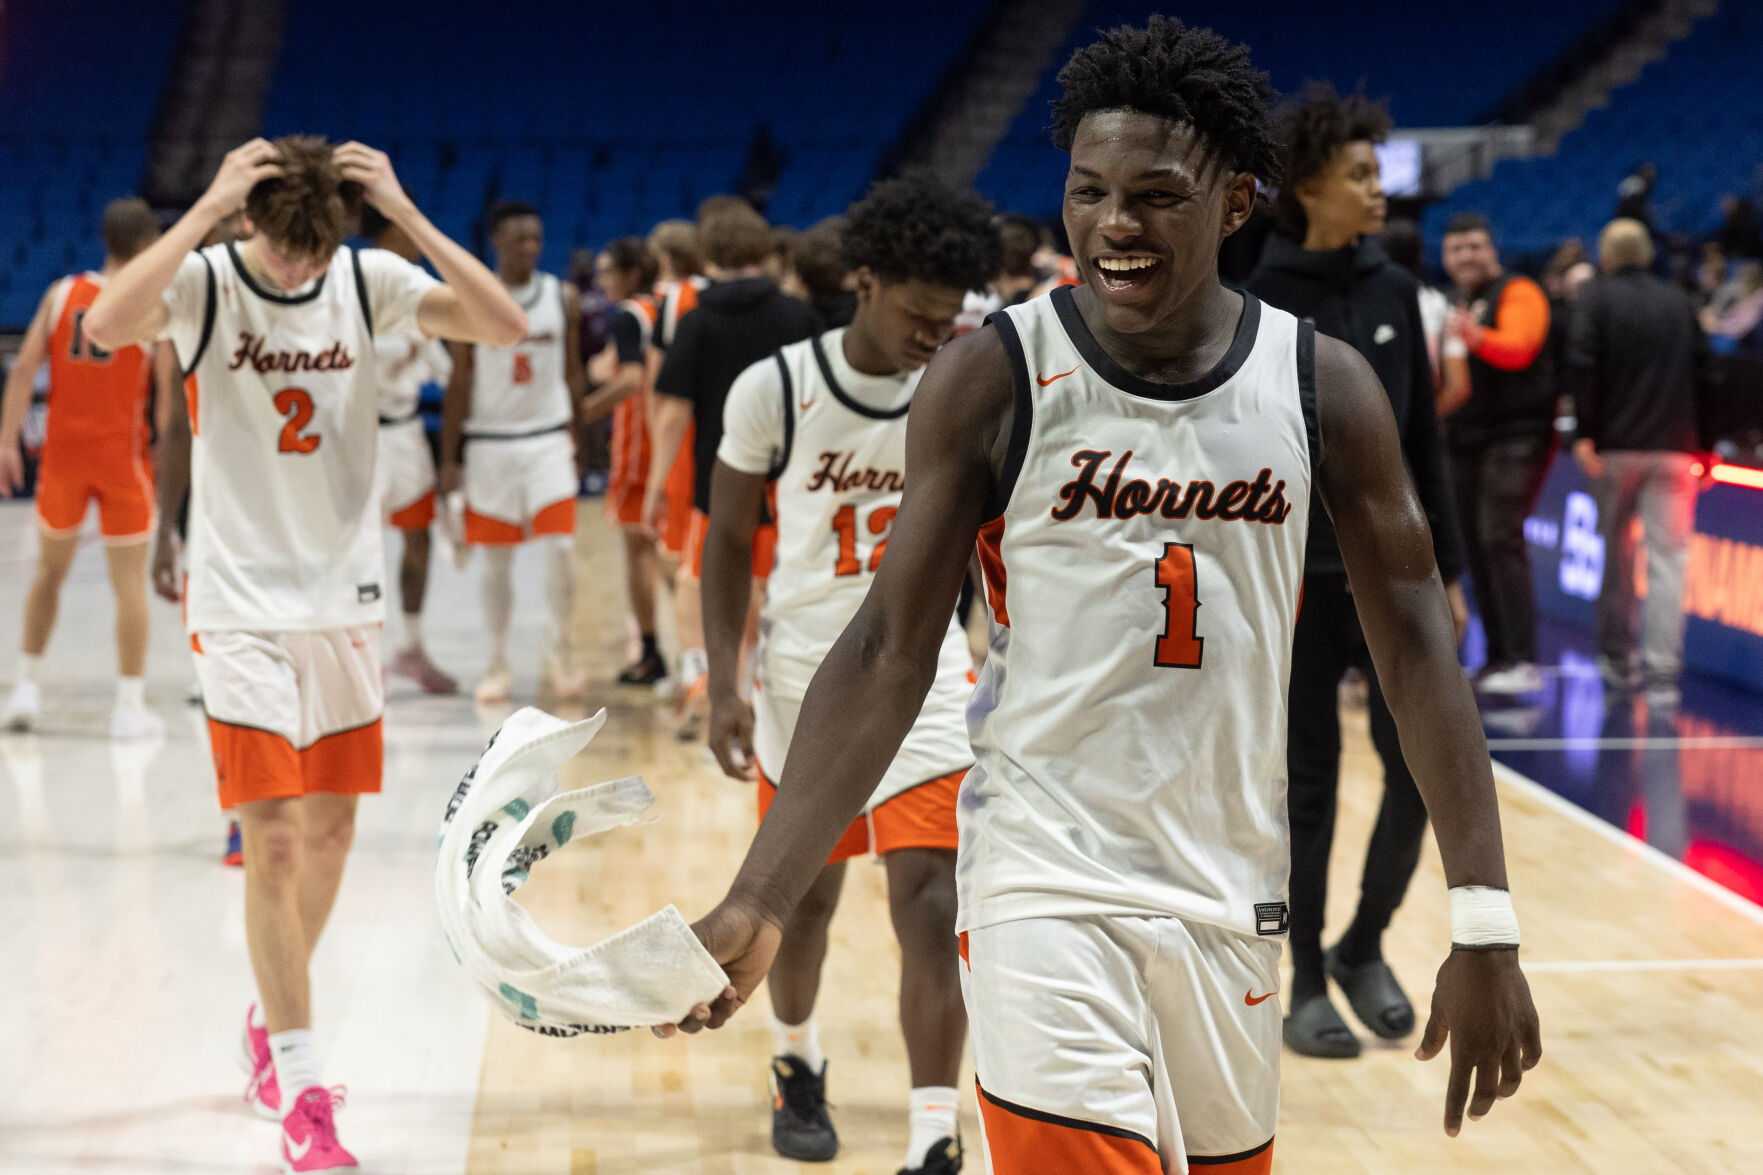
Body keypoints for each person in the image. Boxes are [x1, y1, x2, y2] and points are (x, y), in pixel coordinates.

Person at [666, 17, 1541, 1175]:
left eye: (1154, 195)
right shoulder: (993, 371)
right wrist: (761, 891)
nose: (1112, 224)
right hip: (1040, 870)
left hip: (1229, 887)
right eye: (1088, 192)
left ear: (1236, 202)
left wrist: (1480, 916)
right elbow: (887, 645)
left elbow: (1420, 647)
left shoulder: (1320, 383)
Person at [83, 135, 524, 1173]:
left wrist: (406, 214)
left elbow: (499, 326)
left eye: (313, 252)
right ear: (251, 222)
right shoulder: (202, 278)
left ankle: (270, 1018)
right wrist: (200, 211)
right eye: (283, 248)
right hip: (236, 601)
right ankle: (302, 1082)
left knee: (329, 836)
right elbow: (105, 326)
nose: (296, 270)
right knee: (272, 839)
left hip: (343, 602)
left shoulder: (364, 278)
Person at [703, 172, 999, 1172]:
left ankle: (929, 1127)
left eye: (948, 317)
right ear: (862, 282)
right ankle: (795, 1060)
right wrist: (722, 681)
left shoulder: (961, 386)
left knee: (929, 895)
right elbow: (726, 541)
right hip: (802, 674)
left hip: (925, 669)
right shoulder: (773, 387)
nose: (934, 332)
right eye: (919, 314)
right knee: (804, 899)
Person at [1245, 84, 1469, 1059]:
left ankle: (1362, 943)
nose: (1379, 189)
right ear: (1303, 186)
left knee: (1421, 768)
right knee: (1305, 786)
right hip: (1289, 578)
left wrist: (1449, 572)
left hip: (1390, 577)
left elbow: (1424, 442)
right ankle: (1299, 981)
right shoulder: (1253, 286)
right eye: (1360, 174)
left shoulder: (1392, 289)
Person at [643, 196, 819, 737]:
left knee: (696, 578)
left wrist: (655, 485)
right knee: (763, 585)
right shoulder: (798, 315)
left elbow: (672, 411)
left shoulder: (698, 321)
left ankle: (699, 675)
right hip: (784, 478)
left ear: (708, 252)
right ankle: (748, 685)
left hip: (714, 479)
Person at [0, 197, 171, 738]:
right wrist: (166, 451)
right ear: (146, 245)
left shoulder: (60, 294)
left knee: (49, 574)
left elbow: (25, 368)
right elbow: (165, 390)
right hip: (122, 459)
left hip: (63, 456)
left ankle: (25, 687)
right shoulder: (146, 305)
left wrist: (7, 439)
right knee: (129, 589)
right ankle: (128, 705)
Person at [440, 201, 588, 704]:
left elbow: (573, 371)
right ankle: (498, 659)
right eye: (520, 239)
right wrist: (449, 460)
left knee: (563, 550)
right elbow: (460, 379)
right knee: (497, 564)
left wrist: (581, 438)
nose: (531, 248)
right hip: (490, 444)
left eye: (537, 239)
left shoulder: (561, 296)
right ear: (497, 241)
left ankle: (564, 645)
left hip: (547, 438)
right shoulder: (472, 299)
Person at [1569, 219, 1716, 701]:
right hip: (1676, 451)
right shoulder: (1678, 299)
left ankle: (1618, 658)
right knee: (1669, 560)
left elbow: (1583, 364)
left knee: (1616, 555)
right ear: (1648, 253)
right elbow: (1707, 373)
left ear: (1605, 256)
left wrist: (1583, 432)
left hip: (1615, 448)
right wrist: (1709, 444)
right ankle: (1662, 674)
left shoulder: (1596, 297)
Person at [1441, 213, 1554, 695]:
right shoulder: (1457, 301)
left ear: (1493, 250)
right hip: (1469, 438)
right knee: (1476, 543)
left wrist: (1476, 338)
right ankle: (1497, 658)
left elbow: (1521, 348)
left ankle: (1524, 659)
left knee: (1498, 537)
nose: (1467, 256)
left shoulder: (1519, 291)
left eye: (1475, 246)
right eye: (1457, 248)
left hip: (1517, 435)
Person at [361, 201, 457, 695]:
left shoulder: (416, 287)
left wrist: (419, 356)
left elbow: (443, 365)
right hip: (362, 437)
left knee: (418, 539)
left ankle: (412, 648)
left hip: (407, 433)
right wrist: (404, 358)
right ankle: (365, 658)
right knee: (365, 550)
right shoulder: (355, 283)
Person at [581, 237, 667, 685]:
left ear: (632, 274)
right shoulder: (665, 306)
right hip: (676, 439)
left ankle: (654, 652)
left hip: (641, 443)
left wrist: (583, 413)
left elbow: (631, 379)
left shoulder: (628, 317)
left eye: (608, 271)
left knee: (644, 553)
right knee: (675, 551)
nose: (601, 281)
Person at [1381, 218, 1470, 415]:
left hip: (1375, 427)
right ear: (1421, 254)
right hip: (1419, 427)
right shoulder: (1442, 306)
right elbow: (1457, 389)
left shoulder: (1361, 304)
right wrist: (1426, 424)